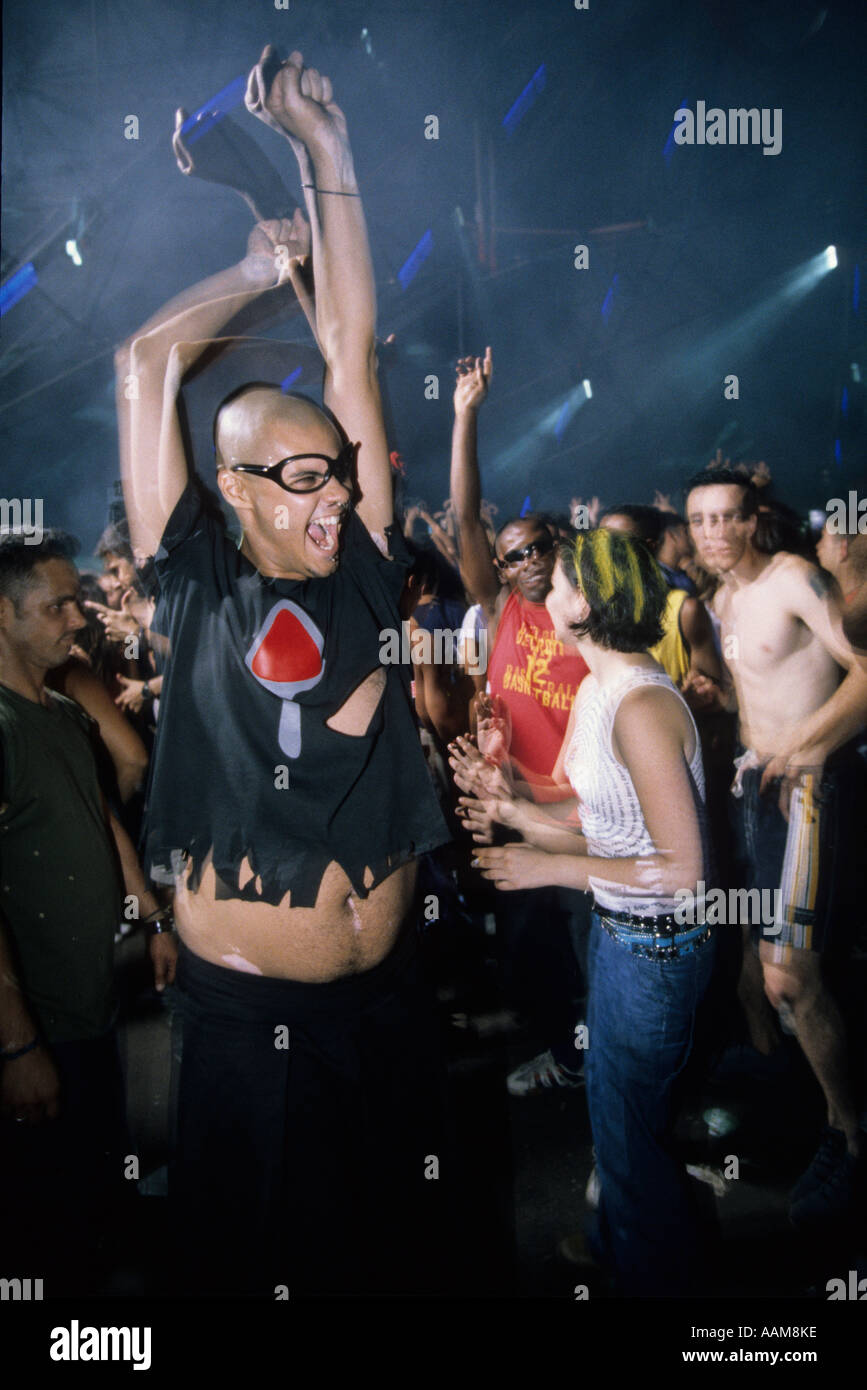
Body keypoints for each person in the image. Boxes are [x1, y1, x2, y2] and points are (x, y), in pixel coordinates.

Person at [118, 48, 451, 1296]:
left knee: (397, 1257)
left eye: (339, 470)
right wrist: (251, 272)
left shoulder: (361, 565)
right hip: (254, 1030)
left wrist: (329, 153)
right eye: (303, 475)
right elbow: (146, 367)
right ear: (237, 487)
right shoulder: (193, 583)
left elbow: (353, 344)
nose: (334, 494)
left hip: (389, 1007)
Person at [456, 527, 717, 1295]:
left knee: (630, 1140)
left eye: (560, 575)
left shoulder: (638, 702)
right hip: (618, 934)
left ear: (587, 601)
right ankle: (620, 1245)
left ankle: (657, 1278)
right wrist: (511, 804)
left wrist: (547, 867)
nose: (541, 582)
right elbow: (589, 812)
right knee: (614, 1118)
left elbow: (683, 870)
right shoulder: (595, 685)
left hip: (657, 946)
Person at [684, 468, 867, 1226]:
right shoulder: (719, 600)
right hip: (757, 795)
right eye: (698, 521)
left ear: (752, 519)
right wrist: (715, 698)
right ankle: (812, 1111)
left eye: (726, 518)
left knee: (789, 978)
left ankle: (851, 1141)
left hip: (808, 793)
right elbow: (756, 690)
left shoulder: (794, 579)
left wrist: (801, 745)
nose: (712, 533)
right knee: (763, 974)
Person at [0, 529, 176, 1293]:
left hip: (89, 1003)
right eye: (57, 605)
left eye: (78, 599)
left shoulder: (60, 709)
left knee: (97, 1180)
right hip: (35, 1027)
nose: (78, 619)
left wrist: (152, 918)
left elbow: (100, 814)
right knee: (47, 1229)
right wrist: (15, 1047)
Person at [448, 347, 590, 1096]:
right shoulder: (500, 608)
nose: (525, 561)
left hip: (583, 815)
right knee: (529, 955)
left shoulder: (585, 613)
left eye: (538, 548)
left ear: (560, 548)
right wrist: (464, 415)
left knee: (590, 944)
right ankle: (572, 1054)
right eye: (512, 556)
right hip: (516, 808)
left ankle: (608, 1076)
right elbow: (464, 516)